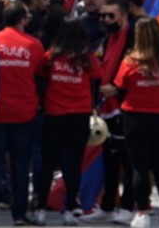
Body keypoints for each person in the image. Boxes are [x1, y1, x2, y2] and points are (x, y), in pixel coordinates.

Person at [112, 17, 159, 228]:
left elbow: (120, 87)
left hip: (135, 118)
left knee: (139, 168)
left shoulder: (130, 62)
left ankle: (142, 212)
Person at [0, 1, 47, 227]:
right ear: (23, 19)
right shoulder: (34, 45)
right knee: (21, 164)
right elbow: (41, 77)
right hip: (25, 112)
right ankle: (19, 214)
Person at [38, 19, 98, 225]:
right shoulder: (88, 59)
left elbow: (41, 80)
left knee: (47, 163)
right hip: (79, 116)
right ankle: (71, 207)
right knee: (73, 165)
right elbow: (96, 83)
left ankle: (40, 208)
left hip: (54, 114)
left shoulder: (51, 56)